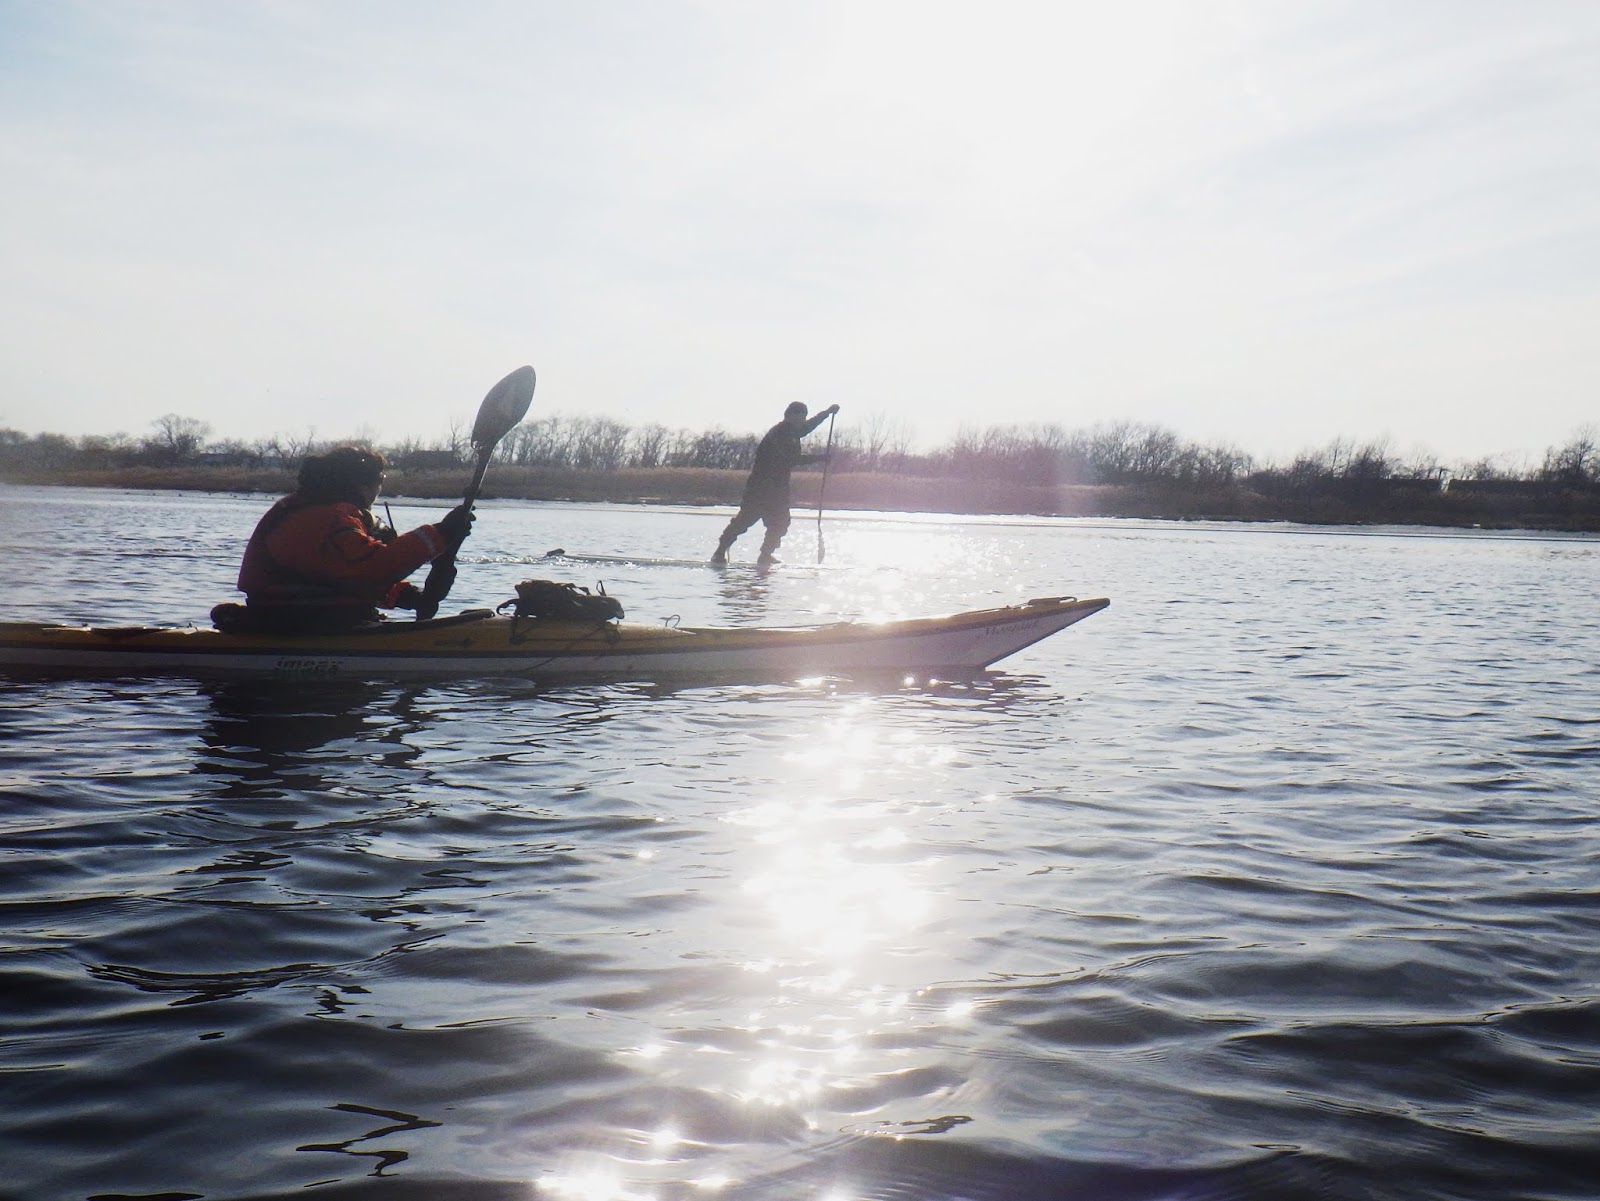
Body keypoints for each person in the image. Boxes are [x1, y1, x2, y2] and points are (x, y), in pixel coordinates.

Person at [226, 446, 474, 632]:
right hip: (300, 623)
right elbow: (373, 567)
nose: (379, 489)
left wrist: (405, 596)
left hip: (304, 616)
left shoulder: (314, 510)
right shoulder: (328, 518)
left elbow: (338, 576)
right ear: (359, 485)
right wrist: (442, 533)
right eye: (380, 480)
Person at [711, 401, 839, 566]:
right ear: (791, 416)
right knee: (745, 521)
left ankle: (765, 555)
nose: (803, 421)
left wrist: (827, 413)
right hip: (760, 487)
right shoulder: (779, 433)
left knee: (781, 522)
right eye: (800, 417)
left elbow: (809, 426)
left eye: (804, 417)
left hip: (778, 488)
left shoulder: (794, 432)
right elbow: (790, 459)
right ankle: (720, 552)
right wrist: (820, 458)